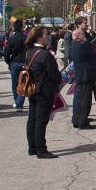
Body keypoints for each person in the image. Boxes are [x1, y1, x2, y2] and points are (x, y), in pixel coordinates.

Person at [24, 26, 62, 159]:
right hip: (45, 90)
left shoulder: (29, 51)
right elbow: (55, 75)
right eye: (46, 34)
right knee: (41, 120)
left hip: (33, 88)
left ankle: (32, 147)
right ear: (39, 37)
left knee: (32, 118)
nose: (48, 37)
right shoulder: (45, 54)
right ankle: (41, 148)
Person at [71, 27, 96, 129]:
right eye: (83, 35)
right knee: (85, 99)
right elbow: (95, 54)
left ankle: (77, 119)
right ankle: (82, 121)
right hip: (86, 75)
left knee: (80, 98)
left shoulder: (74, 45)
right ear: (78, 36)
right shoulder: (82, 46)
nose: (85, 37)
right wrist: (88, 44)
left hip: (81, 75)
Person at [4, 19, 28, 111]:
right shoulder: (26, 38)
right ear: (22, 27)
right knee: (23, 83)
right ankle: (19, 103)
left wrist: (9, 62)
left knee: (15, 84)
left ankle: (17, 102)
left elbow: (6, 53)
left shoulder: (11, 39)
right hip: (24, 63)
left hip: (14, 63)